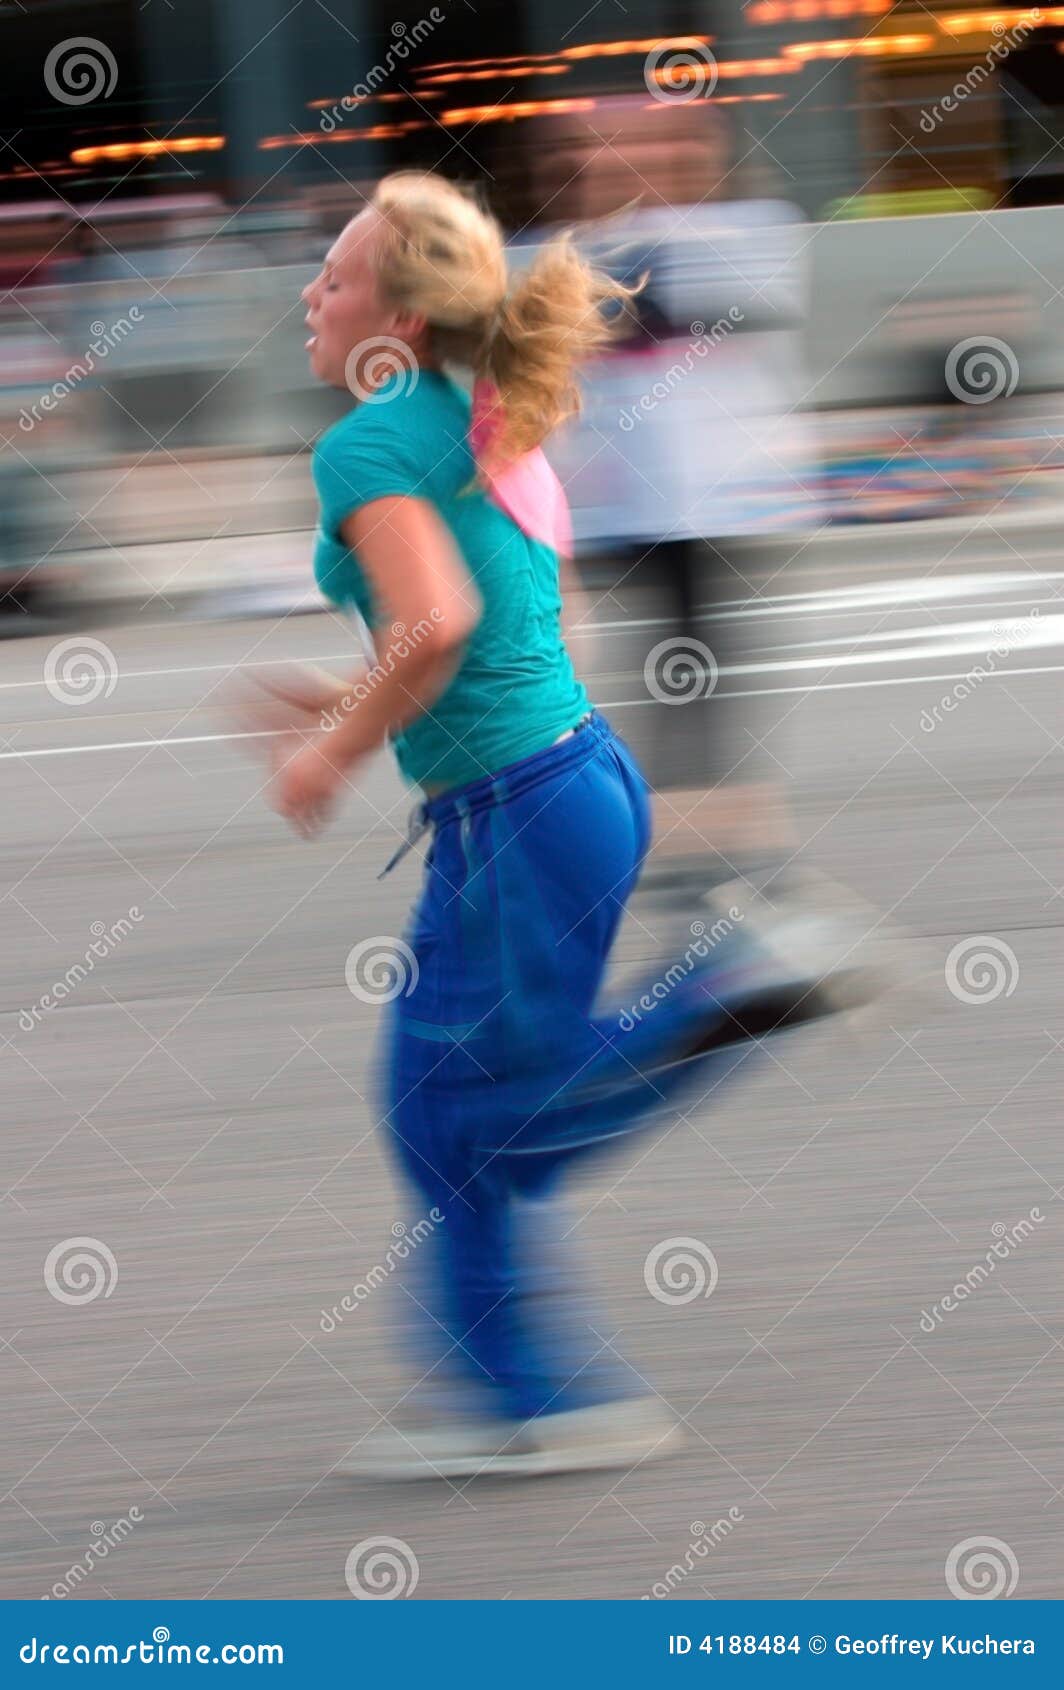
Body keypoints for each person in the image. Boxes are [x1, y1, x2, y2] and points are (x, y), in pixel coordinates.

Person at [238, 171, 846, 1480]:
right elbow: (508, 619)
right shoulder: (481, 413)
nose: (310, 294)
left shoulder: (371, 441)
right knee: (446, 1109)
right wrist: (345, 703)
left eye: (336, 278)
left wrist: (334, 749)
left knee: (475, 1117)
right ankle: (518, 1391)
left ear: (399, 321)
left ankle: (730, 988)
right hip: (566, 791)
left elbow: (438, 624)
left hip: (518, 814)